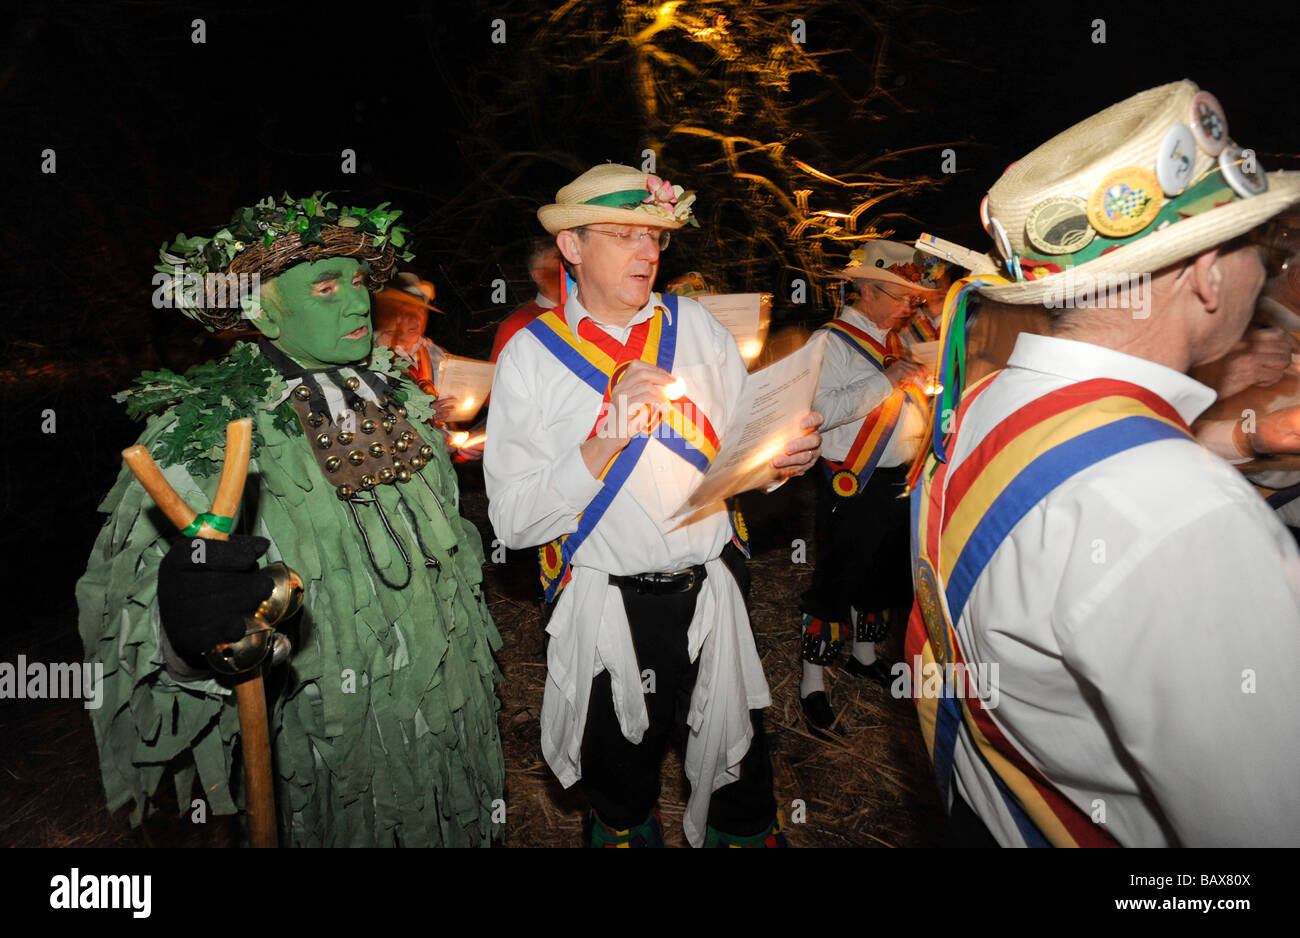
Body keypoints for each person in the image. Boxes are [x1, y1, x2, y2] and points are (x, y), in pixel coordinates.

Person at [906, 80, 1300, 846]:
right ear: (1208, 273)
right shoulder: (1184, 516)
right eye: (1266, 244)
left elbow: (1075, 491)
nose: (1271, 269)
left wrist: (1246, 438)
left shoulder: (986, 404)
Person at [78, 193, 504, 846]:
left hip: (447, 741)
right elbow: (138, 630)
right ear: (261, 309)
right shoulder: (205, 432)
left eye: (359, 282)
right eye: (327, 286)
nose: (358, 302)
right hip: (323, 753)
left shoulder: (404, 406)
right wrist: (190, 635)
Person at [484, 163, 822, 847]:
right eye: (626, 236)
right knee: (621, 782)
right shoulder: (530, 356)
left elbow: (735, 449)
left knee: (743, 778)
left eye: (657, 239)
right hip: (609, 607)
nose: (649, 253)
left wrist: (777, 465)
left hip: (715, 592)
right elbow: (514, 523)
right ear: (571, 248)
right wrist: (608, 435)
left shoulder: (695, 324)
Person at [797, 241, 937, 733]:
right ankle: (812, 679)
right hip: (852, 479)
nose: (908, 306)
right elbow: (819, 412)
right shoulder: (828, 342)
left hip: (900, 478)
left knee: (882, 574)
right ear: (864, 289)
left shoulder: (897, 341)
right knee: (837, 578)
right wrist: (888, 380)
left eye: (913, 299)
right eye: (901, 297)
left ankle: (862, 654)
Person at [373, 274, 484, 461]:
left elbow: (448, 423)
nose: (415, 319)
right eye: (405, 311)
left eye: (420, 310)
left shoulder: (435, 355)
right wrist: (423, 418)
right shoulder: (370, 359)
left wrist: (462, 444)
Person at [489, 239, 563, 363]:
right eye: (559, 265)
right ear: (539, 276)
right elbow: (496, 378)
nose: (569, 271)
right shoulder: (518, 324)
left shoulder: (587, 314)